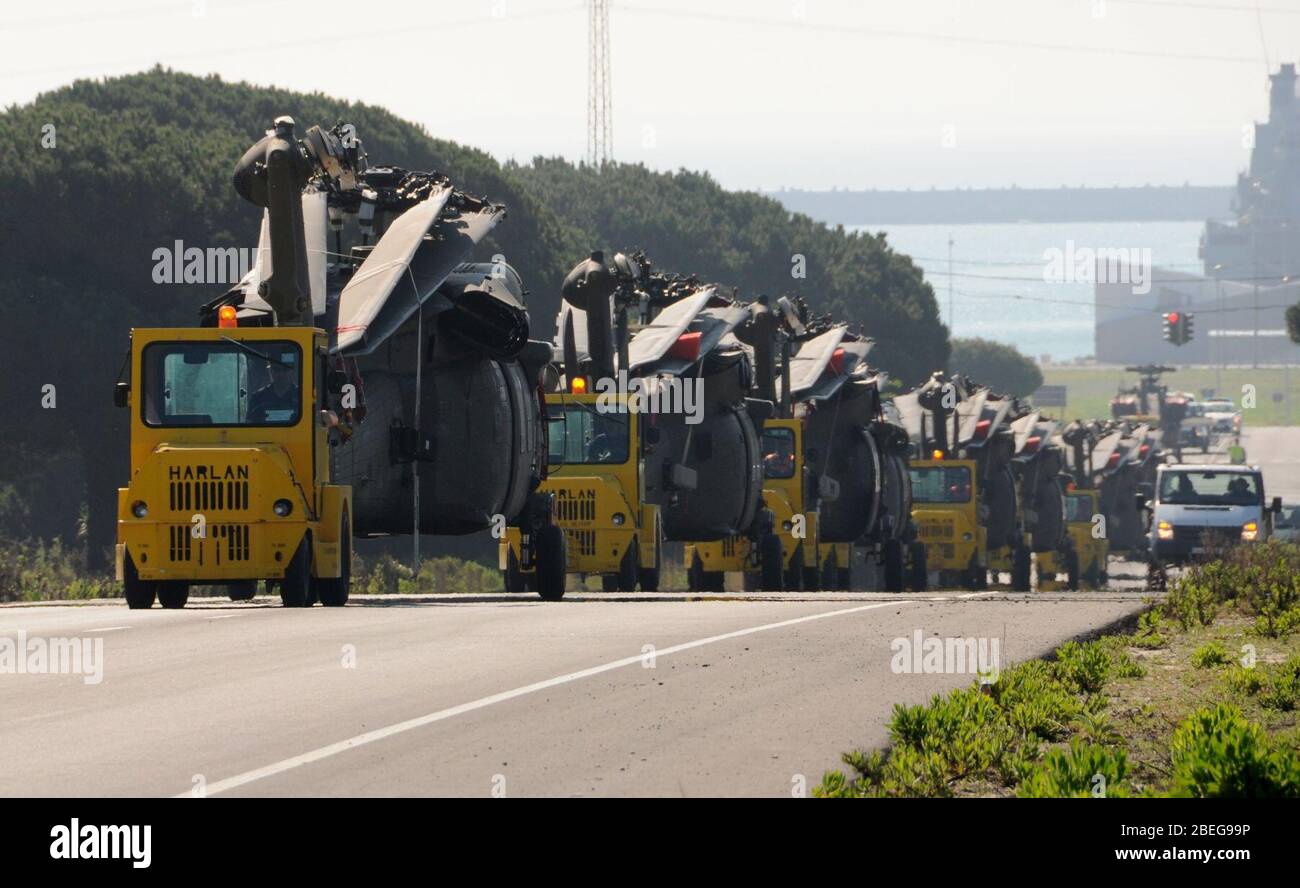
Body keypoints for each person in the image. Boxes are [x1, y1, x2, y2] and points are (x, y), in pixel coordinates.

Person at [248, 357, 299, 423]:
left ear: (292, 371)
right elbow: (250, 423)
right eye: (277, 369)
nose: (281, 374)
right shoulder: (257, 398)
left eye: (285, 370)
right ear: (271, 371)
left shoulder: (301, 396)